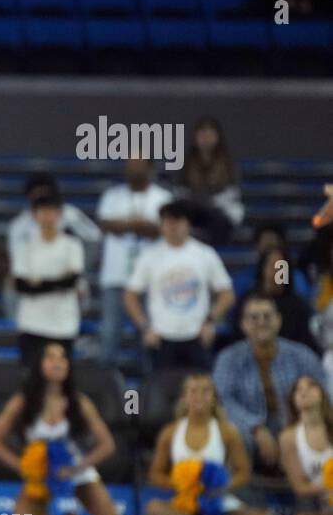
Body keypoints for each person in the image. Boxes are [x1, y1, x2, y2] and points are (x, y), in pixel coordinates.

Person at [0, 342, 121, 515]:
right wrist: (23, 466)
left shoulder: (80, 402)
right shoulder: (23, 401)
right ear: (39, 364)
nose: (57, 362)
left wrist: (77, 467)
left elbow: (107, 445)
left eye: (62, 357)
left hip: (73, 469)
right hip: (41, 472)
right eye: (50, 357)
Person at [145, 373, 277, 515]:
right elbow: (155, 474)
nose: (199, 397)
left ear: (214, 398)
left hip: (219, 501)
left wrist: (222, 488)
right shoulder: (170, 432)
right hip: (185, 503)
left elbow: (243, 472)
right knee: (153, 509)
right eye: (193, 391)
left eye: (205, 391)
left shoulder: (227, 431)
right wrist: (181, 483)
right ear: (184, 398)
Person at [212, 292, 328, 469]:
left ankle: (317, 493)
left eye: (267, 316)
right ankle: (243, 495)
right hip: (249, 429)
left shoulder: (301, 354)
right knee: (235, 437)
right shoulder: (228, 359)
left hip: (297, 425)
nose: (261, 322)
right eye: (254, 317)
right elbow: (222, 400)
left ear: (278, 321)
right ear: (243, 324)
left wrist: (295, 428)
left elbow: (324, 392)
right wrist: (256, 428)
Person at [123, 199, 234, 371]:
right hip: (161, 337)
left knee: (201, 389)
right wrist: (144, 327)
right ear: (161, 224)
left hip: (196, 335)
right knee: (160, 391)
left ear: (187, 223)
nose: (172, 226)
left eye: (177, 221)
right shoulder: (149, 256)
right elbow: (130, 295)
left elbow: (226, 293)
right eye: (168, 221)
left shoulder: (205, 254)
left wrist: (210, 322)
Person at [95, 154, 172, 366]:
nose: (134, 169)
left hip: (151, 278)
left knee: (148, 333)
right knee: (110, 331)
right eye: (130, 165)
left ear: (150, 168)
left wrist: (127, 225)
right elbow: (106, 224)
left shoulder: (162, 197)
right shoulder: (112, 195)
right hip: (115, 275)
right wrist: (140, 225)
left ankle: (150, 386)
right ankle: (104, 382)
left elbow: (162, 230)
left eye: (139, 164)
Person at [10, 191, 86, 367]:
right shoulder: (25, 247)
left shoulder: (72, 246)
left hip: (64, 324)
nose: (47, 217)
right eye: (42, 212)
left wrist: (39, 283)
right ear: (34, 215)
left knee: (61, 378)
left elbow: (72, 281)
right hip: (31, 324)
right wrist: (58, 282)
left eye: (51, 211)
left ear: (59, 214)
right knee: (29, 377)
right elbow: (22, 286)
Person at [227, 245, 318, 352]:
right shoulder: (247, 302)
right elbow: (237, 338)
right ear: (263, 268)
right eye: (272, 265)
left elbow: (305, 342)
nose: (277, 271)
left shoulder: (298, 305)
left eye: (281, 267)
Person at [280, 375, 333, 515]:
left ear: (322, 393)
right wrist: (328, 488)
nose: (305, 392)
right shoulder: (288, 437)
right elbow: (300, 488)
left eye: (311, 386)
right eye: (298, 389)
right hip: (322, 508)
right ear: (293, 400)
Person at [175, 117, 243, 247]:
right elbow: (180, 192)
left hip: (218, 211)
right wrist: (200, 202)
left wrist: (212, 203)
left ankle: (217, 250)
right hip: (195, 210)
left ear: (218, 137)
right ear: (195, 137)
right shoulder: (186, 162)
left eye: (210, 134)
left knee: (220, 219)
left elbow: (233, 193)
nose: (206, 139)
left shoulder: (228, 163)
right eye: (202, 134)